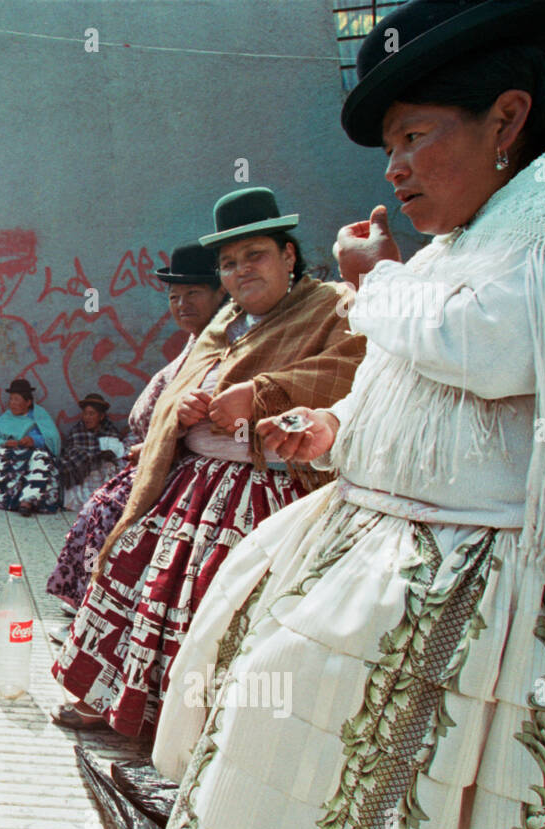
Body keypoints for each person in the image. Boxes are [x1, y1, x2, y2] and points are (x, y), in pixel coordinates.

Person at [156, 0, 545, 829]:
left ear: (506, 116)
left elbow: (490, 349)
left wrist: (377, 282)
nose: (394, 169)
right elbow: (415, 384)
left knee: (414, 811)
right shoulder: (461, 240)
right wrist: (334, 427)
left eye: (412, 137)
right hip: (381, 542)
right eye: (389, 147)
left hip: (473, 577)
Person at [51, 187, 366, 736]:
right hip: (191, 488)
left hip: (271, 491)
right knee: (142, 581)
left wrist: (263, 392)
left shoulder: (333, 307)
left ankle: (205, 732)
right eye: (228, 263)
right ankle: (115, 703)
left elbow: (352, 373)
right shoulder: (226, 324)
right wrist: (189, 403)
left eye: (255, 255)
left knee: (222, 610)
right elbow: (174, 393)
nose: (241, 272)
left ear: (288, 255)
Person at [46, 243, 224, 614]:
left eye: (193, 293)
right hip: (156, 457)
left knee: (109, 513)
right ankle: (88, 603)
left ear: (219, 292)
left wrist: (158, 444)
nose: (182, 304)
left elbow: (208, 416)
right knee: (98, 508)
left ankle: (104, 607)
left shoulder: (224, 343)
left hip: (187, 466)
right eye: (174, 296)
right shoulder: (196, 342)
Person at [0, 378, 62, 515]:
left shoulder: (39, 415)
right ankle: (7, 499)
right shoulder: (5, 418)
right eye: (11, 399)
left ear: (28, 402)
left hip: (32, 453)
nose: (12, 404)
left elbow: (52, 438)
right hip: (11, 454)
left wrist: (34, 440)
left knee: (41, 458)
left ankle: (27, 500)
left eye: (17, 400)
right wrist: (5, 443)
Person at [59, 393, 125, 512]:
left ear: (101, 417)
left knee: (111, 467)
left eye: (91, 414)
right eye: (85, 413)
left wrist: (109, 454)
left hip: (102, 473)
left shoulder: (110, 431)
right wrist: (95, 455)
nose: (87, 418)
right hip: (82, 472)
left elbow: (117, 452)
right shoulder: (77, 431)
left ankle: (107, 501)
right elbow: (72, 453)